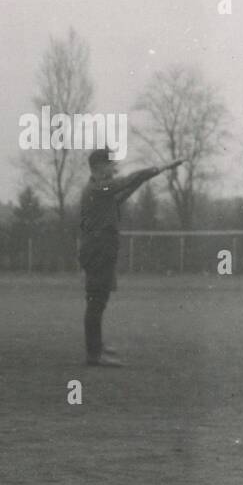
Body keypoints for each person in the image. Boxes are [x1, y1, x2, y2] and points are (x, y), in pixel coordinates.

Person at [78, 148, 182, 368]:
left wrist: (143, 180)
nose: (113, 168)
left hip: (100, 250)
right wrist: (160, 168)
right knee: (96, 302)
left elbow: (124, 191)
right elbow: (127, 181)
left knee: (98, 301)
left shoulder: (101, 190)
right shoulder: (99, 187)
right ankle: (94, 354)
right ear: (98, 167)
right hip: (98, 252)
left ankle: (96, 347)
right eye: (109, 164)